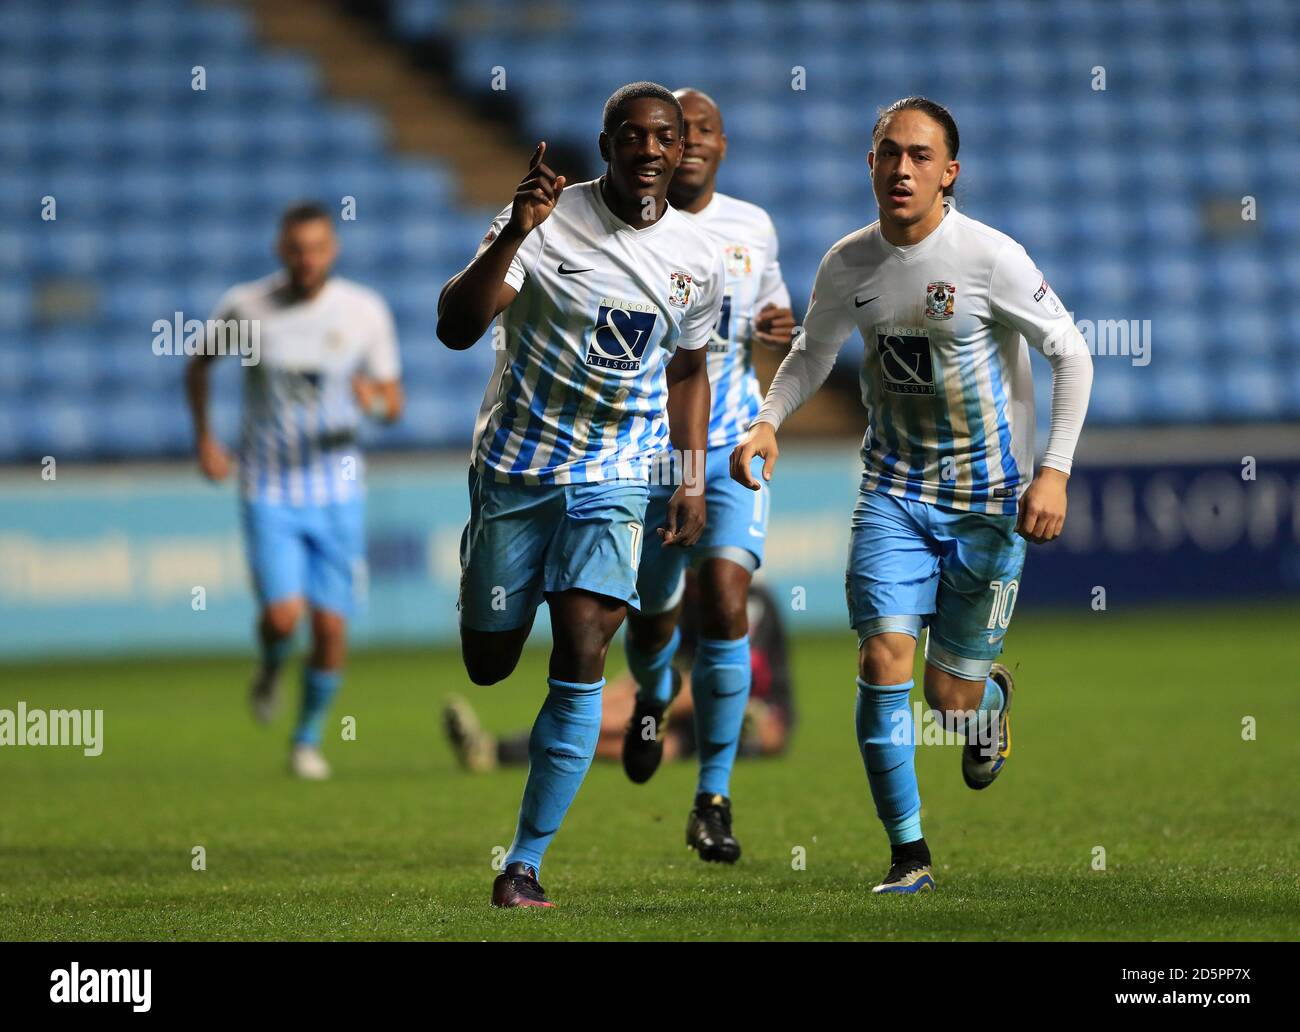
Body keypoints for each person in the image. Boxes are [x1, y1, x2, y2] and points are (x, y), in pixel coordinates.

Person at [731, 97, 1093, 893]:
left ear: (949, 173)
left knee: (948, 698)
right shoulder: (847, 265)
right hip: (892, 493)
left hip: (988, 502)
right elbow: (809, 354)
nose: (902, 168)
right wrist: (766, 422)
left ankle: (984, 701)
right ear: (870, 163)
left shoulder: (989, 258)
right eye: (889, 152)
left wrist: (1055, 469)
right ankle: (909, 855)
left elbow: (1072, 353)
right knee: (883, 657)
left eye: (920, 156)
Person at [436, 82, 724, 908]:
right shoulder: (543, 218)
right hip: (517, 473)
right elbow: (456, 325)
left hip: (616, 474)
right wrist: (513, 236)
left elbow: (688, 367)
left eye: (663, 137)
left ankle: (522, 864)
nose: (648, 149)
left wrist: (689, 473)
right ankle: (486, 599)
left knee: (585, 649)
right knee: (489, 664)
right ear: (605, 146)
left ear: (680, 152)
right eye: (629, 136)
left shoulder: (697, 258)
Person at [619, 87, 796, 864]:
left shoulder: (751, 226)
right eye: (679, 129)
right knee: (653, 616)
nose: (690, 140)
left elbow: (774, 311)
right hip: (644, 454)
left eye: (705, 130)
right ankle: (654, 696)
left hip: (726, 447)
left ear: (722, 146)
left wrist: (778, 326)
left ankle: (712, 798)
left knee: (726, 600)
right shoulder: (626, 226)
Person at [186, 202, 403, 780]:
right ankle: (270, 665)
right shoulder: (246, 306)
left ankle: (306, 739)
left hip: (339, 491)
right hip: (268, 486)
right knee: (284, 618)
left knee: (331, 627)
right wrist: (206, 440)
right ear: (281, 251)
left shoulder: (363, 311)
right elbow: (198, 365)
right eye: (296, 249)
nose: (307, 259)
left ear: (332, 250)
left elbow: (392, 401)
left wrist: (373, 403)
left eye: (317, 248)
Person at [444, 577, 796, 774]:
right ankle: (494, 752)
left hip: (753, 706)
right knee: (635, 734)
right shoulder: (685, 595)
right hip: (690, 718)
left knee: (664, 696)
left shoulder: (749, 596)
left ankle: (569, 725)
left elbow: (736, 672)